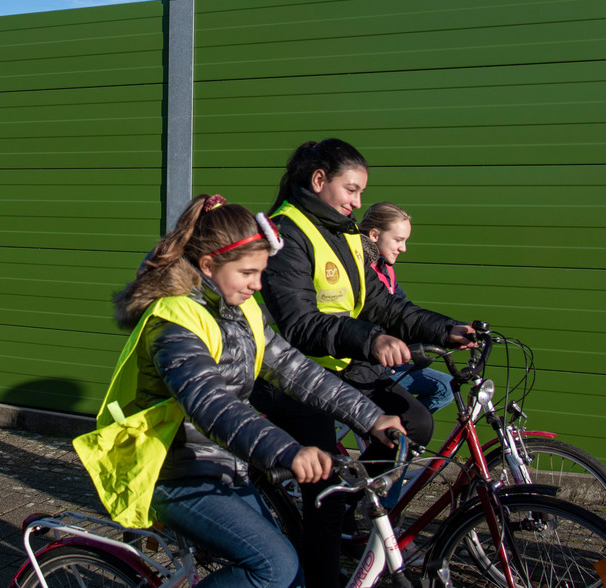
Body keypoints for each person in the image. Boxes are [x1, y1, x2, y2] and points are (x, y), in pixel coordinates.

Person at [91, 194, 402, 588]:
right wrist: (288, 450)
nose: (258, 285)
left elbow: (295, 369)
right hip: (172, 473)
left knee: (293, 575)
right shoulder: (173, 322)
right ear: (208, 266)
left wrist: (370, 416)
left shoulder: (240, 309)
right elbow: (212, 405)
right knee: (275, 569)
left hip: (223, 465)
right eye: (248, 273)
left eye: (262, 272)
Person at [255, 139, 474, 587]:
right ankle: (320, 573)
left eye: (360, 193)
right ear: (319, 181)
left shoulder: (347, 233)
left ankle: (353, 503)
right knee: (327, 492)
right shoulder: (286, 233)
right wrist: (372, 340)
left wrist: (446, 328)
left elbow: (384, 304)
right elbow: (298, 324)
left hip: (345, 368)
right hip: (295, 378)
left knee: (414, 424)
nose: (358, 202)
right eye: (351, 190)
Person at [360, 202, 454, 413]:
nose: (403, 248)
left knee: (446, 387)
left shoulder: (383, 267)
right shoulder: (361, 269)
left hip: (383, 363)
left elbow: (406, 314)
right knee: (440, 392)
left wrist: (451, 332)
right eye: (398, 240)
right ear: (374, 235)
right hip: (366, 365)